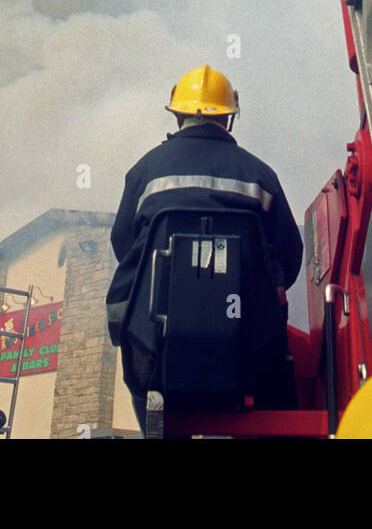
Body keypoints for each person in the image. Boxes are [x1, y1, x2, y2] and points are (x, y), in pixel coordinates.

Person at [106, 65, 303, 430]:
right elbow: (290, 260)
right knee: (279, 372)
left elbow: (123, 245)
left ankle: (157, 424)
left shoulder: (144, 172)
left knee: (136, 350)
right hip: (249, 350)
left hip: (156, 352)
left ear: (178, 114)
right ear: (228, 119)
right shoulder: (261, 176)